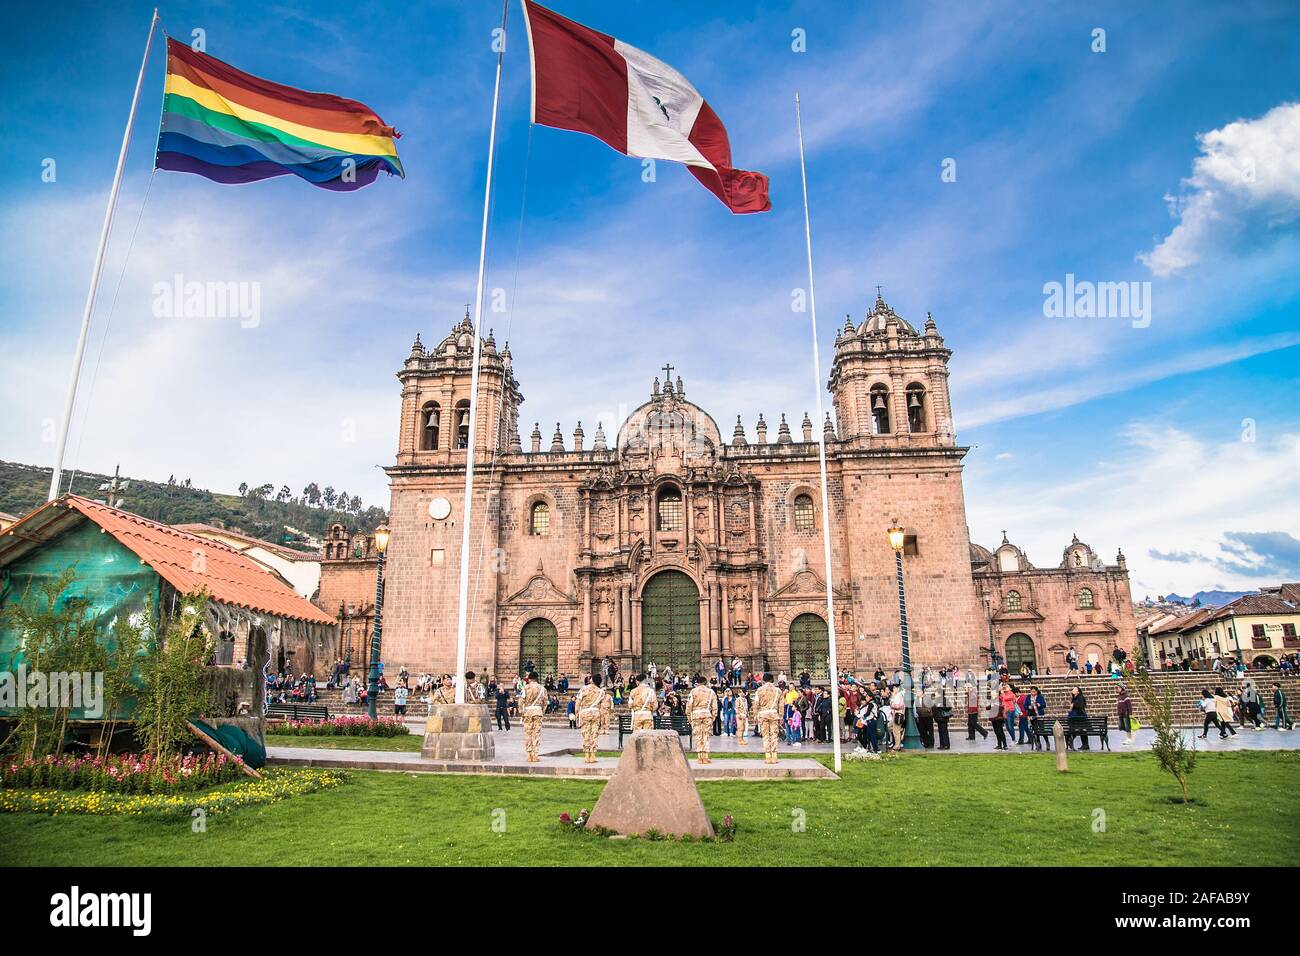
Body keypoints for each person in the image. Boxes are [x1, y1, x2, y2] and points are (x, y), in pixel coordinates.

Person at [575, 674, 605, 764]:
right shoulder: (601, 692)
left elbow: (578, 702)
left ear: (592, 680)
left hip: (585, 712)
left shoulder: (583, 689)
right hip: (596, 712)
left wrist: (577, 714)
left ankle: (586, 756)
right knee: (594, 734)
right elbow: (602, 707)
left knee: (586, 733)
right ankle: (593, 755)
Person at [688, 675, 718, 764]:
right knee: (706, 735)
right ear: (706, 682)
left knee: (698, 736)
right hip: (706, 714)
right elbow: (715, 707)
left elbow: (689, 705)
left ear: (697, 683)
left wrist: (689, 717)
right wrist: (713, 717)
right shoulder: (711, 692)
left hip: (696, 715)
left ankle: (699, 757)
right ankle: (706, 757)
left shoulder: (693, 692)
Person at [754, 673, 783, 764]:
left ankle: (767, 757)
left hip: (763, 714)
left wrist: (755, 715)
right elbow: (781, 705)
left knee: (765, 736)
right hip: (774, 714)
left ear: (763, 680)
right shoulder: (778, 690)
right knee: (774, 735)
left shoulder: (759, 690)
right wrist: (781, 716)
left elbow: (756, 704)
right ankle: (774, 756)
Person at [519, 671, 546, 762]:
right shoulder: (542, 688)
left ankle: (529, 754)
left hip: (528, 712)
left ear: (529, 678)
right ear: (537, 678)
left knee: (528, 733)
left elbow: (521, 700)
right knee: (536, 733)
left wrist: (521, 711)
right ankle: (535, 754)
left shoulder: (526, 687)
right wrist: (542, 711)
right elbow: (545, 702)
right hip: (538, 711)